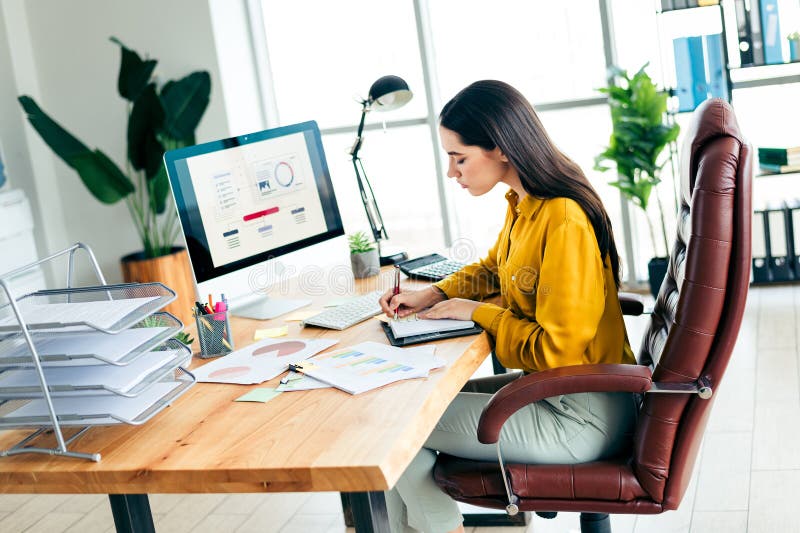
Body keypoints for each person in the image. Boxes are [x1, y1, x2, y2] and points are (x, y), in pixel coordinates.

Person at [378, 80, 638, 533]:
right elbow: (496, 269)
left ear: (499, 147)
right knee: (404, 411)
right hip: (555, 393)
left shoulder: (562, 218)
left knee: (396, 430)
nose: (451, 173)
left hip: (581, 414)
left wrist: (476, 312)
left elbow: (556, 351)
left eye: (459, 157)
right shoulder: (525, 202)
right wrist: (434, 295)